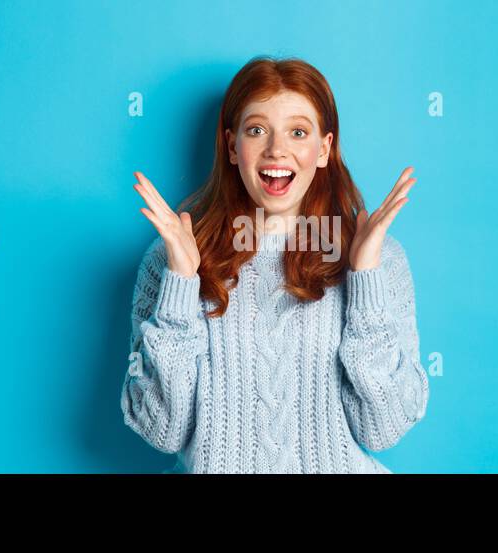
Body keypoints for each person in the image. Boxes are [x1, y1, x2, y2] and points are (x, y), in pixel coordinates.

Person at [122, 56, 428, 473]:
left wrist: (366, 279)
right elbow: (162, 430)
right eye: (257, 130)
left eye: (298, 132)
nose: (277, 150)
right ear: (232, 146)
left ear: (324, 149)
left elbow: (384, 429)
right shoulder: (170, 260)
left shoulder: (379, 259)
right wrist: (180, 284)